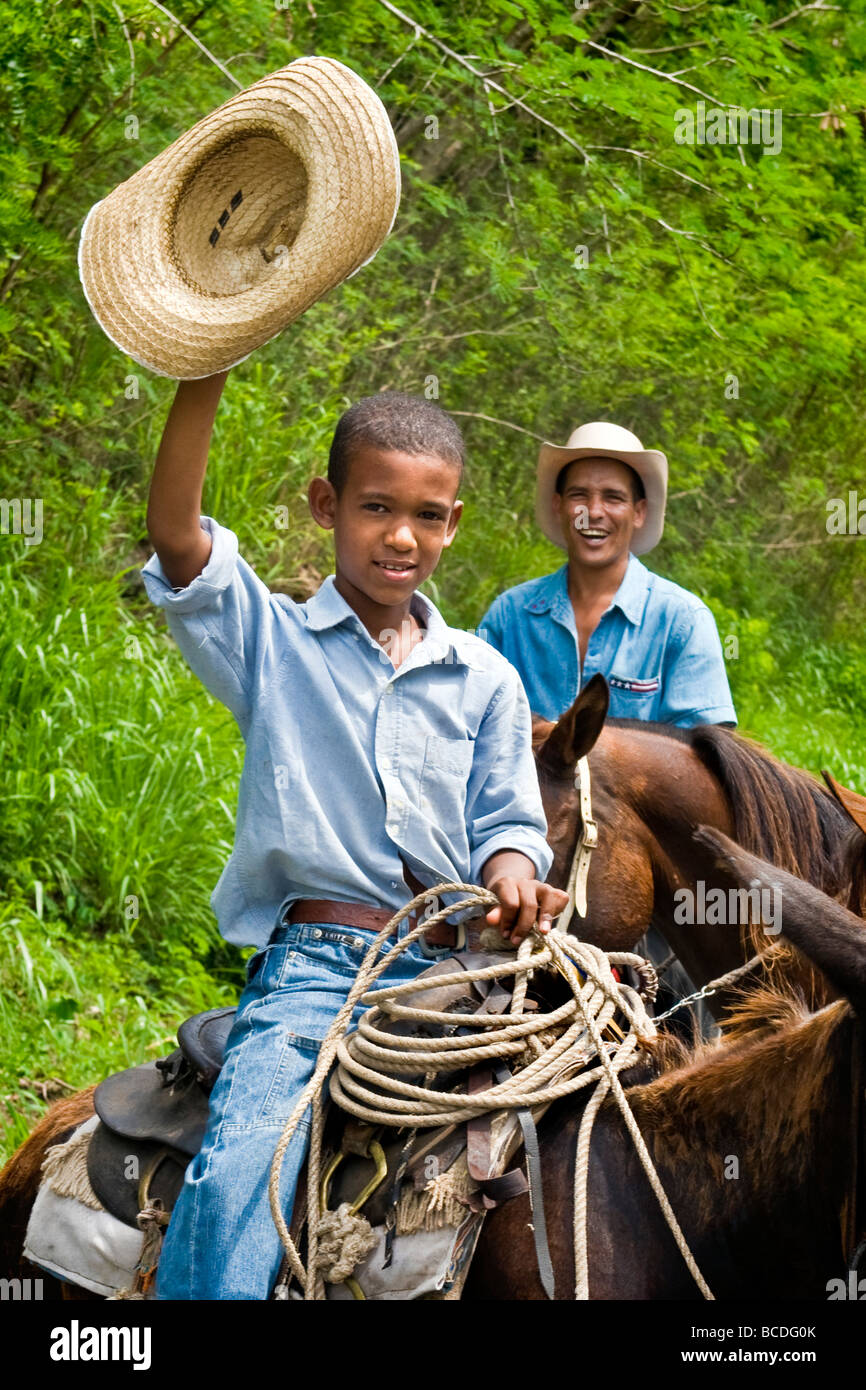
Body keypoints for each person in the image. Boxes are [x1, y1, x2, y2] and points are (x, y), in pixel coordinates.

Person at [141, 377, 565, 1299]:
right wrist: (204, 372)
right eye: (376, 508)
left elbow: (507, 822)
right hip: (319, 972)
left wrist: (512, 877)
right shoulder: (273, 646)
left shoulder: (487, 679)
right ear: (327, 507)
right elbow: (179, 539)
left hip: (462, 972)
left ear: (454, 522)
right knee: (245, 1170)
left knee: (603, 1125)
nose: (401, 537)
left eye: (425, 515)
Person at [479, 421, 736, 727]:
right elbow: (471, 722)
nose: (594, 511)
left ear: (639, 512)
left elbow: (707, 754)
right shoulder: (510, 616)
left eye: (613, 497)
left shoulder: (681, 620)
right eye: (579, 495)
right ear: (558, 505)